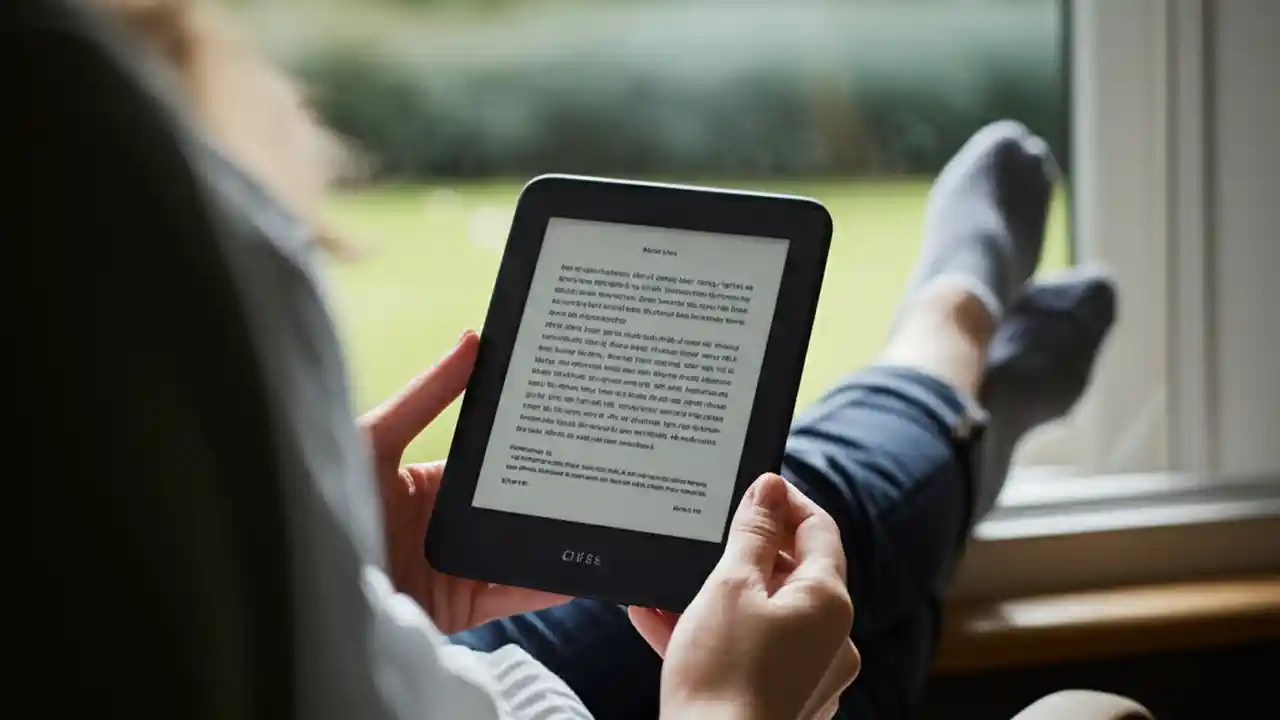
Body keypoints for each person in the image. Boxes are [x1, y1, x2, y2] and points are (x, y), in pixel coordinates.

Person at [41, 2, 1117, 718]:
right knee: (806, 520)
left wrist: (342, 581)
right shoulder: (72, 124)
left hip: (437, 681)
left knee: (778, 569)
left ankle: (963, 400)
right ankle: (952, 347)